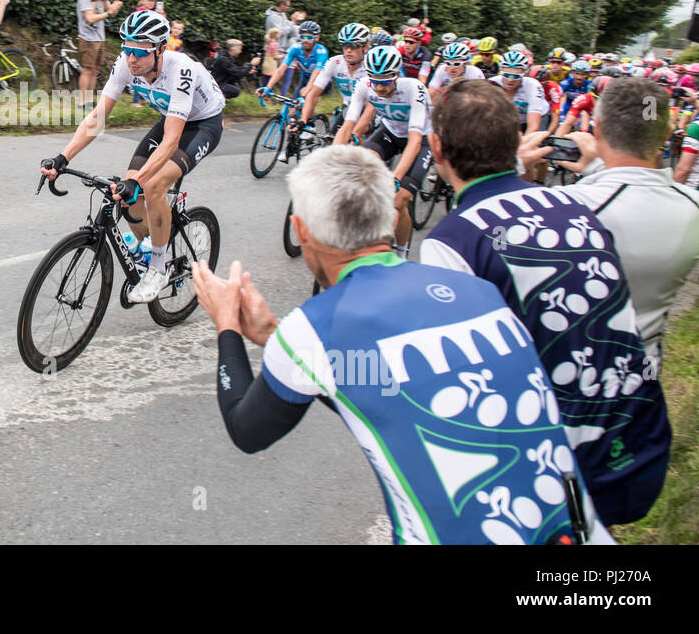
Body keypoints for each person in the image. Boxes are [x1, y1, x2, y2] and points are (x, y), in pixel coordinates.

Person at [192, 144, 613, 545]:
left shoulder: (318, 326)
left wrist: (227, 324)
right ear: (392, 221)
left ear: (300, 228)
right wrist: (270, 336)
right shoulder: (480, 292)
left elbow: (247, 430)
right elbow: (384, 389)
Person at [418, 79, 671, 527]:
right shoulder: (575, 204)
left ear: (436, 147)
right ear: (515, 140)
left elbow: (453, 379)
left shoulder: (452, 241)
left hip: (556, 475)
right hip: (638, 437)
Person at [41, 10, 225, 304]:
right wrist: (63, 158)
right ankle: (150, 243)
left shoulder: (181, 70)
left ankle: (159, 267)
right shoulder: (126, 65)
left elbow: (172, 140)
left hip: (204, 124)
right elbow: (97, 118)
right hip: (171, 118)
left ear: (161, 48)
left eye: (140, 51)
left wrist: (139, 180)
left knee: (151, 185)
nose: (131, 58)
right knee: (126, 191)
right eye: (126, 48)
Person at [519, 77, 699, 369]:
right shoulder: (693, 207)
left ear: (598, 130)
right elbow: (636, 187)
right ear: (667, 133)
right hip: (644, 372)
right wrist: (598, 167)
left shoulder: (561, 205)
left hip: (566, 370)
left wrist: (517, 166)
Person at [333, 44, 433, 258]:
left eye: (385, 82)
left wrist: (396, 177)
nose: (378, 89)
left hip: (421, 138)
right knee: (363, 165)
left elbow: (415, 141)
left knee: (400, 200)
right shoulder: (363, 85)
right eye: (375, 82)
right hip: (390, 132)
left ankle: (401, 250)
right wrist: (331, 161)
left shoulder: (414, 88)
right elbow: (348, 126)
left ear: (397, 75)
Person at [299, 23, 368, 133]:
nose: (349, 50)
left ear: (365, 47)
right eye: (345, 45)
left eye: (354, 45)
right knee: (333, 144)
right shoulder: (334, 63)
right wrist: (303, 120)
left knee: (361, 138)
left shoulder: (371, 65)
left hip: (371, 110)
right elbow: (313, 94)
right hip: (349, 108)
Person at [75, 0, 122, 108]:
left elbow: (111, 13)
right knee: (87, 70)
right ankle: (81, 102)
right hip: (88, 39)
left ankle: (89, 101)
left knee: (95, 70)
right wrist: (108, 13)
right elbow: (90, 18)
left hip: (100, 38)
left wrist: (115, 6)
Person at [264, 20, 327, 104]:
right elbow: (280, 70)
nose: (305, 40)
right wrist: (268, 87)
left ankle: (307, 116)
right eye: (302, 37)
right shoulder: (295, 48)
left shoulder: (321, 52)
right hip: (305, 78)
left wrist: (307, 90)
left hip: (320, 80)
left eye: (309, 37)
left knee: (308, 101)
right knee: (292, 108)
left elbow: (316, 74)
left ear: (317, 38)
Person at [490, 49, 549, 134]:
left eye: (516, 76)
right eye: (506, 75)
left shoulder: (532, 86)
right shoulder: (492, 83)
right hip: (512, 118)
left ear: (524, 74)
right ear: (500, 72)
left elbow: (533, 126)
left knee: (534, 140)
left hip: (537, 116)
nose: (510, 80)